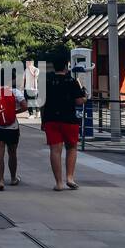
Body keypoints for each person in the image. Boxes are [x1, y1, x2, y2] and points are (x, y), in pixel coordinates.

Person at [41, 50, 86, 191]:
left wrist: (43, 120)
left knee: (55, 150)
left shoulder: (46, 81)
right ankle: (70, 178)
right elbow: (79, 101)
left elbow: (42, 102)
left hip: (51, 119)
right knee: (71, 147)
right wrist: (85, 97)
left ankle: (59, 183)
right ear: (66, 66)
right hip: (69, 119)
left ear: (54, 66)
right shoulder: (72, 81)